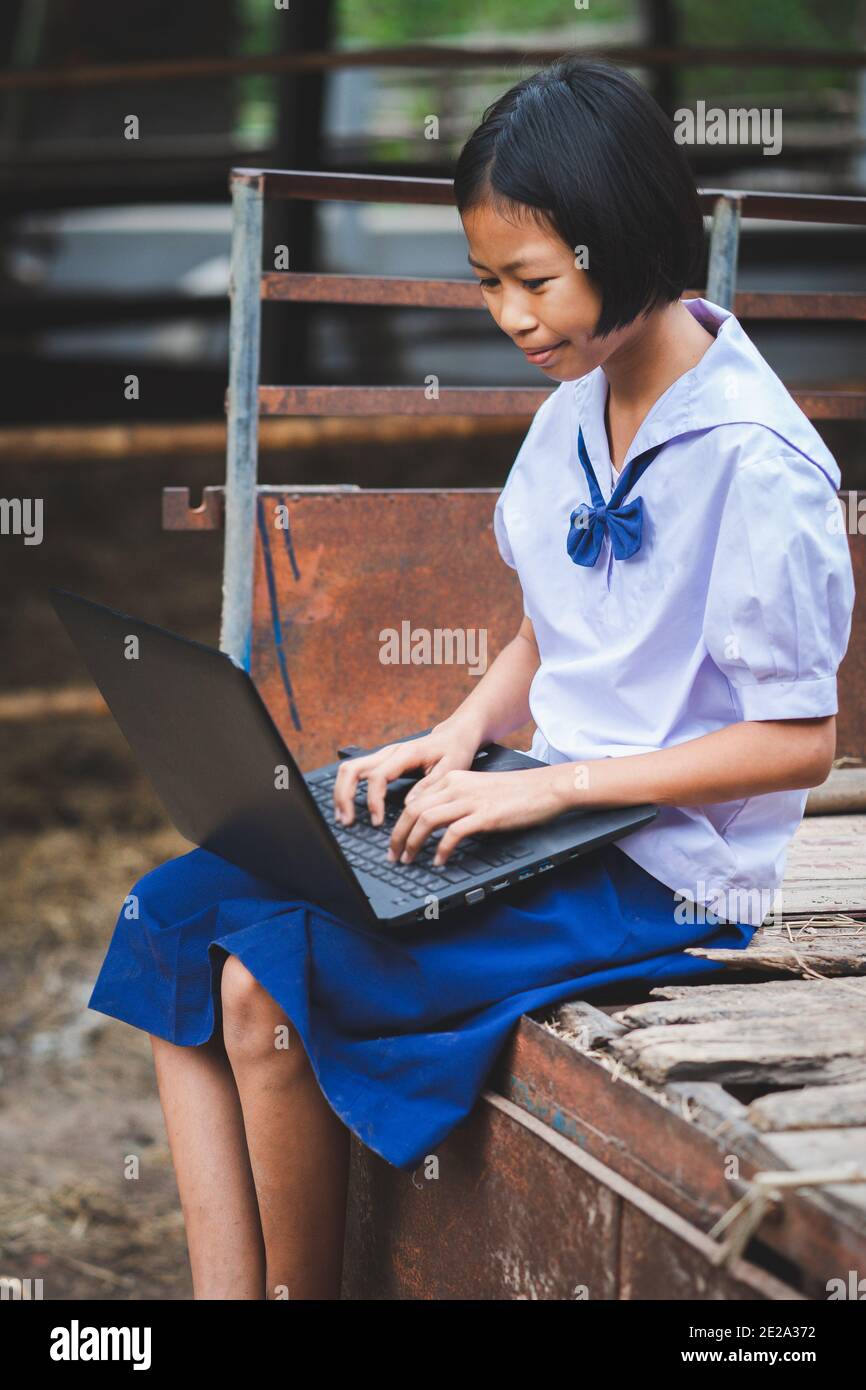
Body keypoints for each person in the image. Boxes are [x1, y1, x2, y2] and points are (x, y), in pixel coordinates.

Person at [87, 56, 854, 1300]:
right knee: (166, 913)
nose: (507, 315)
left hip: (662, 870)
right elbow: (550, 631)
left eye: (533, 281)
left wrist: (543, 789)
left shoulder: (755, 466)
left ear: (627, 243)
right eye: (485, 281)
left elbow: (796, 742)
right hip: (545, 811)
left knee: (265, 984)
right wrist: (454, 739)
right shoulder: (573, 410)